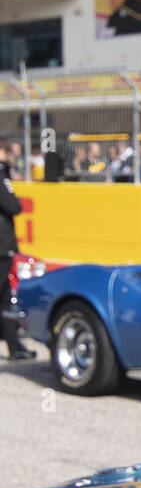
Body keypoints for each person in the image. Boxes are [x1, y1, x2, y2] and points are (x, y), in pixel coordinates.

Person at [0, 142, 34, 360]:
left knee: (5, 297)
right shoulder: (0, 171)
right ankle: (14, 345)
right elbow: (13, 205)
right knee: (5, 295)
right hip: (2, 245)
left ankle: (14, 345)